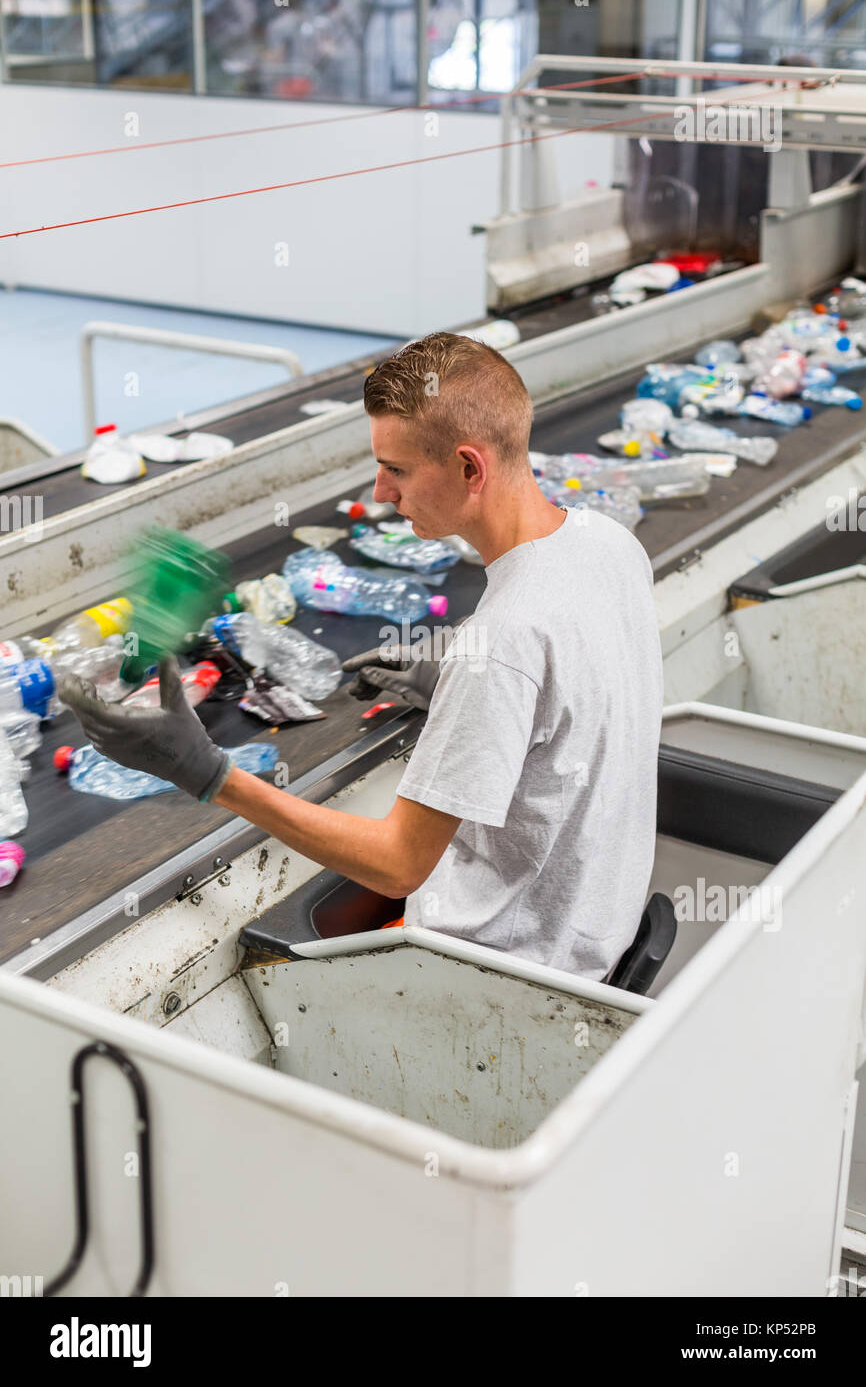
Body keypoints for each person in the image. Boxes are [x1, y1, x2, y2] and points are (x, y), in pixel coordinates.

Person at [60, 332, 663, 981]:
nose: (381, 492)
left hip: (494, 985)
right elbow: (573, 673)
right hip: (592, 939)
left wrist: (209, 773)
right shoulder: (606, 542)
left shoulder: (510, 640)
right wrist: (466, 679)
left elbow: (399, 864)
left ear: (469, 468)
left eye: (397, 470)